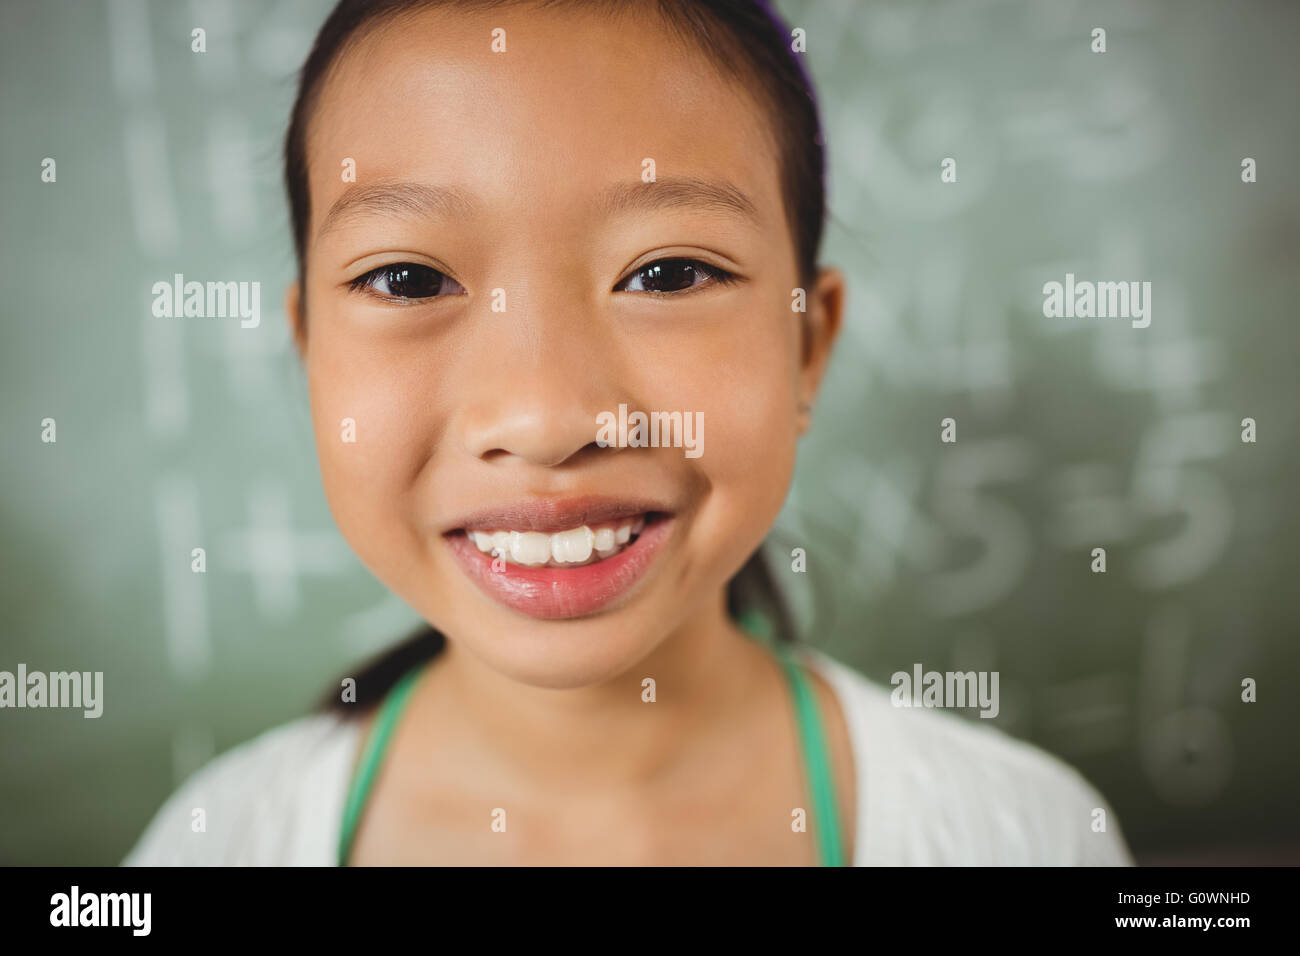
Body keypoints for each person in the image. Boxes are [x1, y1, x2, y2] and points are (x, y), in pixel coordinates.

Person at [125, 0, 1133, 866]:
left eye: (668, 273)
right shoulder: (217, 843)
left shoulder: (1019, 836)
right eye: (408, 278)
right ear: (308, 348)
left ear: (807, 344)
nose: (547, 416)